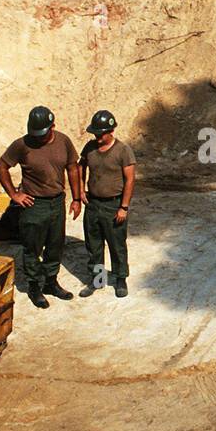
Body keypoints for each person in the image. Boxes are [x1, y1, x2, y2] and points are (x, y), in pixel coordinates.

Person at [0, 106, 83, 308]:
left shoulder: (63, 141)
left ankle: (51, 282)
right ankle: (34, 286)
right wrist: (14, 194)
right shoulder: (22, 145)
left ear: (53, 126)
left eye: (43, 134)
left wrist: (77, 199)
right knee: (32, 247)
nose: (39, 138)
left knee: (55, 245)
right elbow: (1, 166)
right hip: (33, 205)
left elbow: (72, 168)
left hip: (57, 202)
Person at [77, 110, 135, 298]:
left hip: (113, 204)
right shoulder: (90, 148)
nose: (97, 137)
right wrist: (79, 190)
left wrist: (123, 207)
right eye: (95, 133)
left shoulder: (123, 151)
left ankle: (120, 278)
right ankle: (98, 279)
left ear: (110, 131)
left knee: (117, 244)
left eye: (100, 134)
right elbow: (80, 166)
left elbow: (130, 180)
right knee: (94, 245)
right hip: (93, 204)